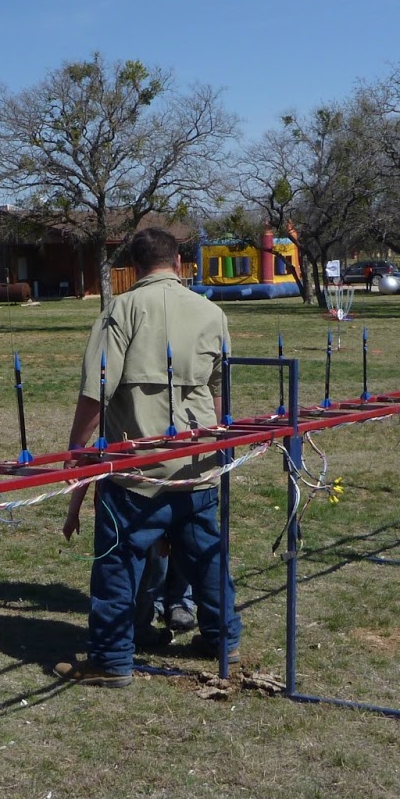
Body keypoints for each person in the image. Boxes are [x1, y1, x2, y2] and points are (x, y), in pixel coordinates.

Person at [55, 227, 242, 687]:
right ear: (178, 261)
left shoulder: (120, 310)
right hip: (197, 466)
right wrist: (214, 450)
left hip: (136, 474)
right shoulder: (211, 312)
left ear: (134, 267)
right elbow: (220, 392)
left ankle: (112, 660)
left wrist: (76, 453)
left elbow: (94, 393)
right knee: (208, 558)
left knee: (118, 564)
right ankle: (223, 642)